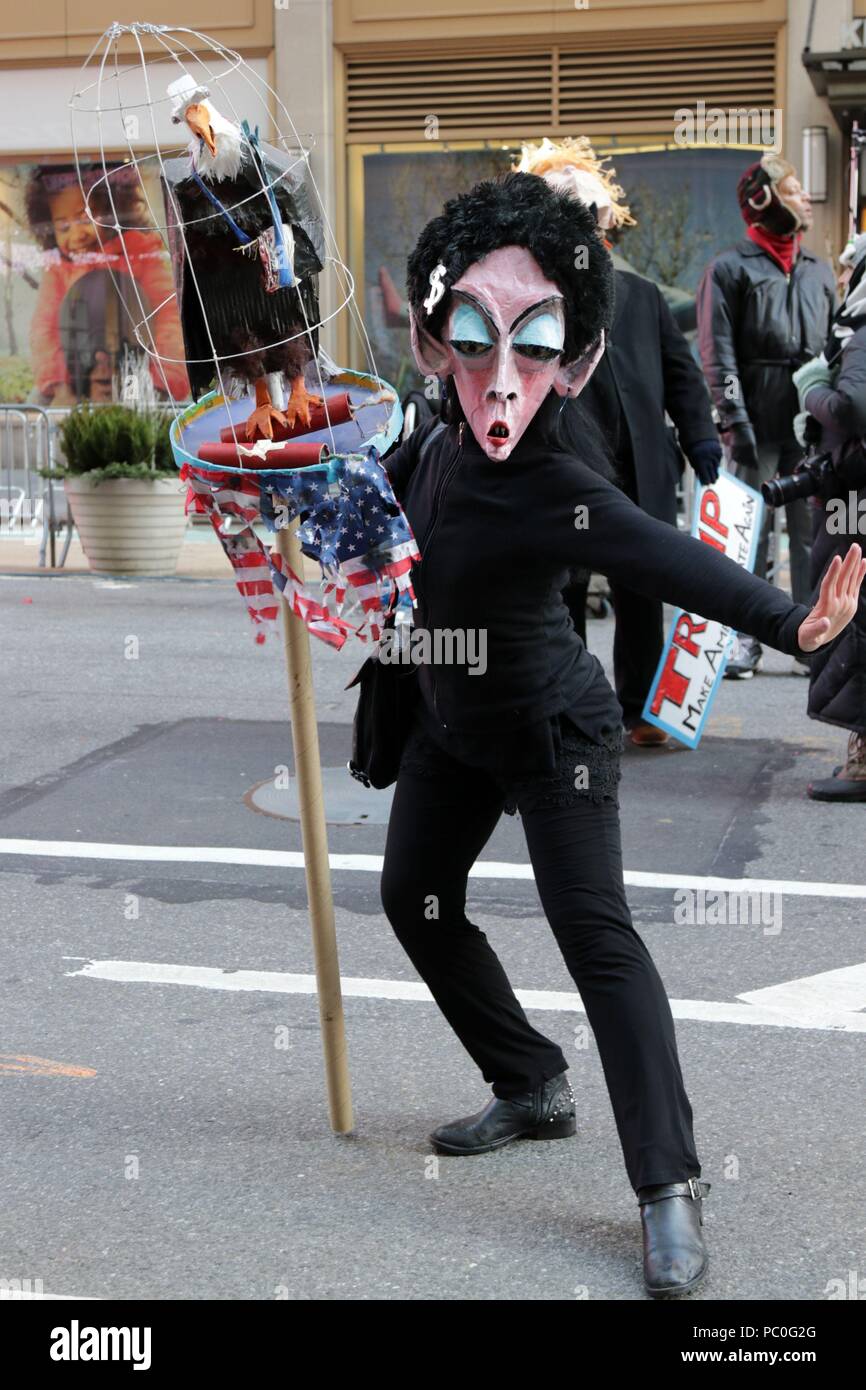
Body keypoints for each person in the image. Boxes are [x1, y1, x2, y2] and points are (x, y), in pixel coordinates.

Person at [377, 172, 864, 1297]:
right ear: (433, 336)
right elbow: (377, 529)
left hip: (554, 730)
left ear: (573, 357)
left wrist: (790, 620)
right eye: (472, 337)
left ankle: (666, 1188)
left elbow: (663, 553)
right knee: (416, 897)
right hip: (451, 718)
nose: (501, 380)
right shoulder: (430, 435)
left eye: (533, 346)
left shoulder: (555, 477)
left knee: (597, 941)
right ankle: (529, 1077)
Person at [516, 137, 722, 745]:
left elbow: (682, 375)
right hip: (567, 463)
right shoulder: (535, 298)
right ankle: (573, 705)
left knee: (642, 587)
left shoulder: (642, 295)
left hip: (639, 465)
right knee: (566, 589)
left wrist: (701, 437)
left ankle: (641, 709)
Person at [697, 152, 836, 678]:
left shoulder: (819, 271)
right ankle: (743, 640)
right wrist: (734, 421)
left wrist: (830, 418)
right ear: (766, 200)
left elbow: (831, 350)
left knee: (809, 533)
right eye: (795, 189)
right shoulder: (728, 269)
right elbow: (717, 352)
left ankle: (809, 637)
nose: (804, 198)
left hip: (808, 425)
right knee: (748, 534)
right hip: (754, 422)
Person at [792, 233, 866, 800]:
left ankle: (862, 765)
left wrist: (812, 387)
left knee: (851, 617)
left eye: (849, 269)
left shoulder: (862, 334)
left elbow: (851, 408)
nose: (841, 280)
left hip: (853, 502)